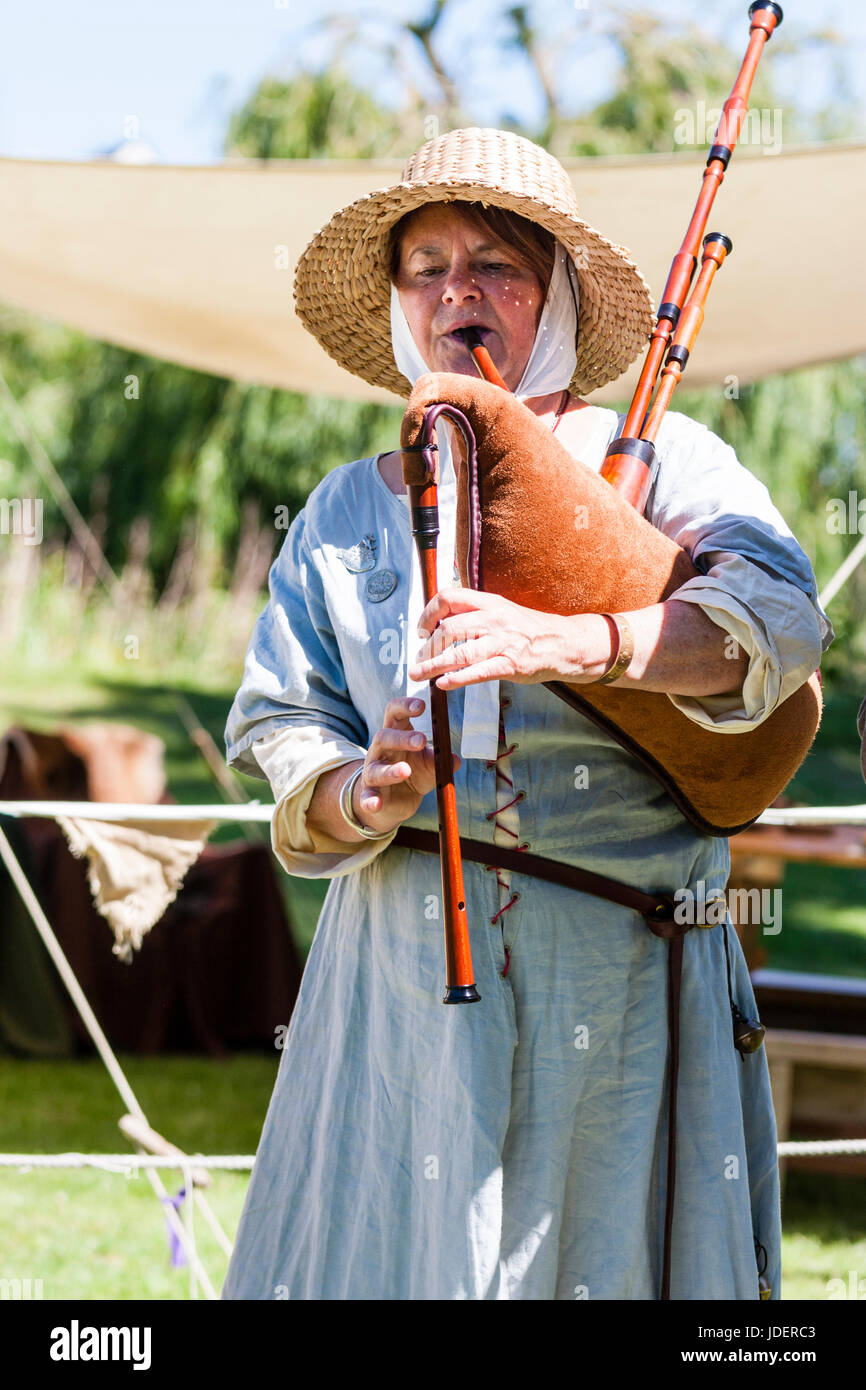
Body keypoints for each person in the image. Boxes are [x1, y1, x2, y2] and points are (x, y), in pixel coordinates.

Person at [221, 127, 833, 1300]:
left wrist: (588, 639)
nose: (459, 291)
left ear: (549, 294)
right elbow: (280, 721)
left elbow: (777, 615)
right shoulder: (345, 510)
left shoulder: (666, 467)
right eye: (428, 265)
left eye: (495, 261)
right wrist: (360, 787)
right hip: (395, 984)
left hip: (612, 977)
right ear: (402, 303)